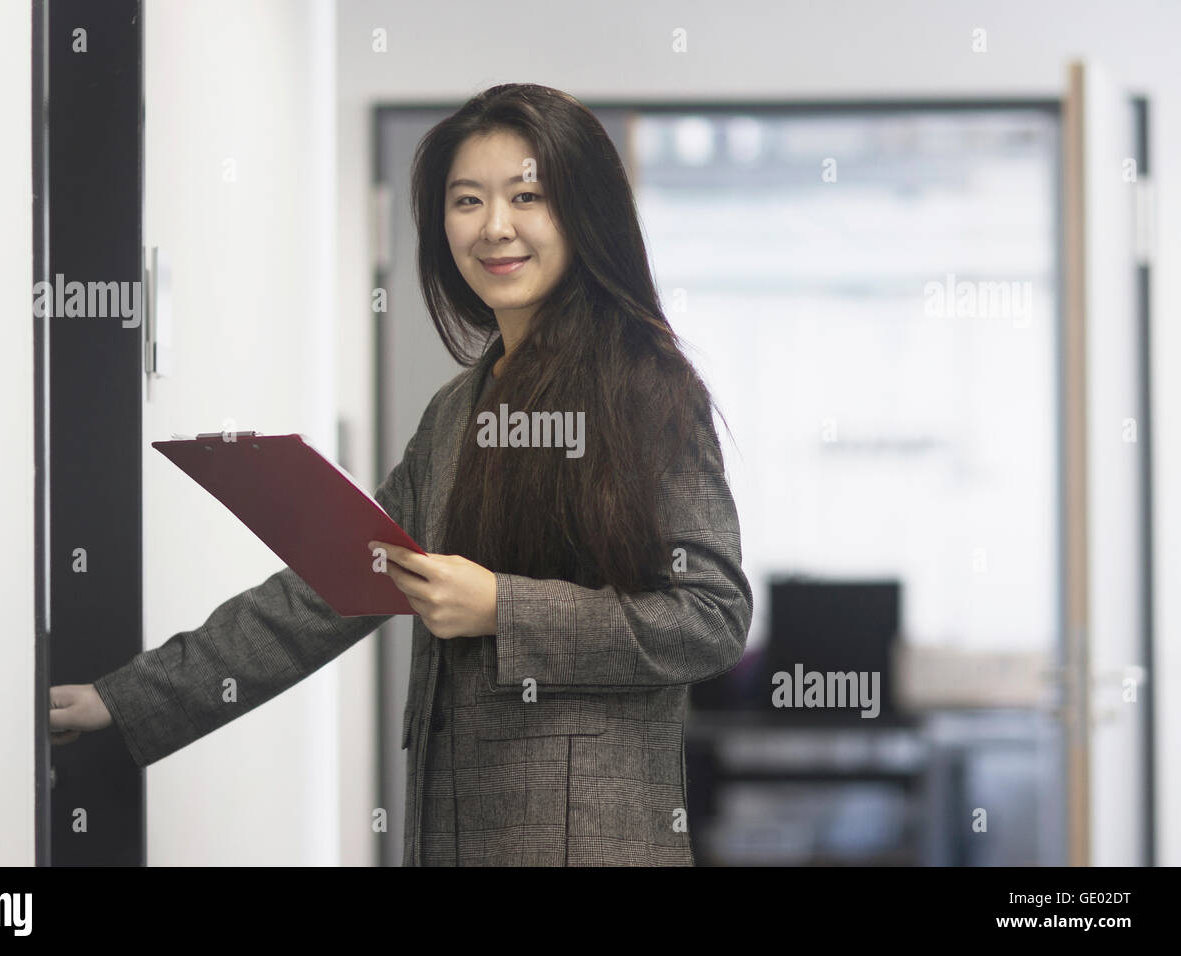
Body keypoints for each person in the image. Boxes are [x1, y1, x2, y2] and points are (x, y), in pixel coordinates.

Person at [50, 82, 753, 866]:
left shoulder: (649, 392)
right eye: (466, 200)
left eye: (527, 195)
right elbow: (326, 590)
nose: (494, 227)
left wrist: (503, 609)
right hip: (452, 834)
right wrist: (126, 698)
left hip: (591, 841)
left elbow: (710, 619)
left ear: (585, 213)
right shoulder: (456, 408)